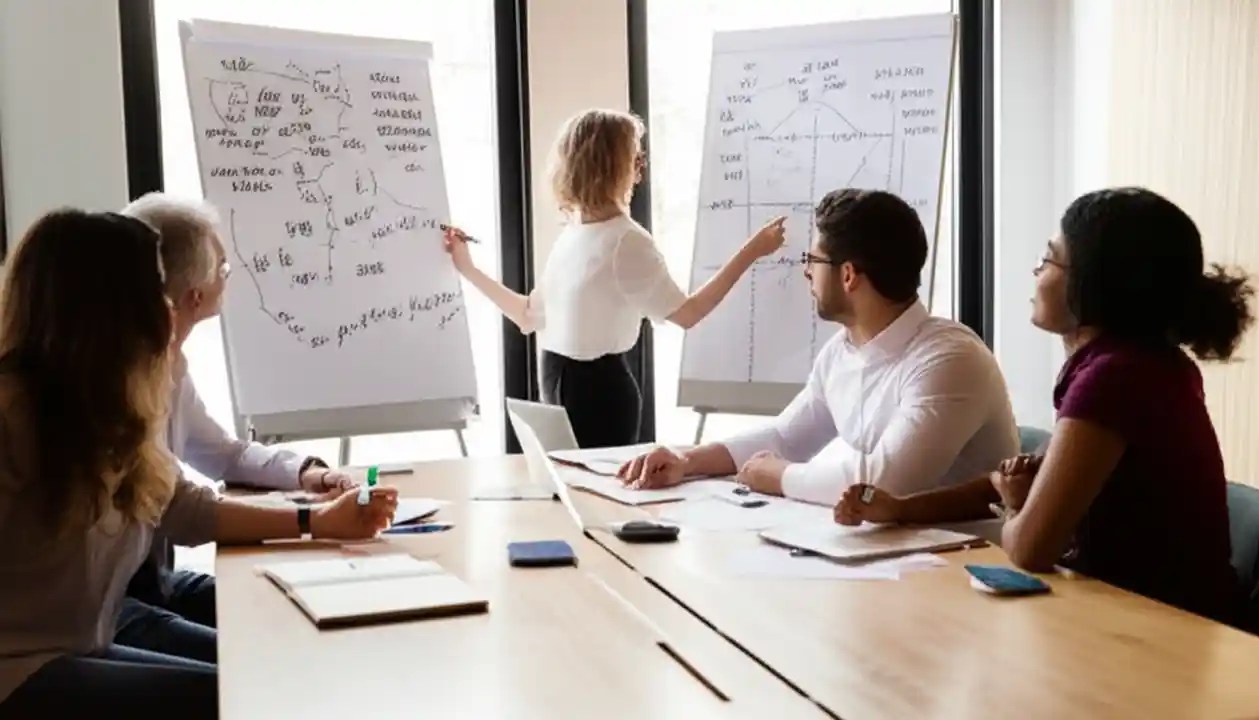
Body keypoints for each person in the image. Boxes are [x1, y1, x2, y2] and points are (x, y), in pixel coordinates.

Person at [0, 210, 398, 717]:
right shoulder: (13, 415)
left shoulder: (111, 404)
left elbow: (185, 508)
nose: (168, 311)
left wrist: (316, 520)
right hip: (20, 670)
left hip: (75, 649)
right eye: (156, 294)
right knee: (244, 700)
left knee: (259, 682)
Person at [834, 187, 1252, 623]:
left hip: (1162, 633)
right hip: (1135, 617)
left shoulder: (1114, 379)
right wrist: (899, 508)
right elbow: (1014, 482)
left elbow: (1031, 547)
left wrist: (1017, 507)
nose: (1036, 270)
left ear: (1093, 281)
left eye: (1049, 258)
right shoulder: (1141, 362)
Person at [620, 188, 1018, 506]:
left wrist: (779, 477)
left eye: (813, 258)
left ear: (848, 275)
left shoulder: (949, 359)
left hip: (964, 565)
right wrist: (687, 461)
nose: (806, 270)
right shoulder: (841, 351)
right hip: (889, 553)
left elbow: (883, 481)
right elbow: (786, 437)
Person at [443, 108, 786, 448]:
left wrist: (752, 251)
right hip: (574, 393)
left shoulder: (609, 238)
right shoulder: (598, 238)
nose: (640, 170)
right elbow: (528, 314)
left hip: (597, 397)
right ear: (611, 167)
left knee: (593, 496)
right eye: (635, 158)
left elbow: (686, 315)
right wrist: (468, 269)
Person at [117, 193, 356, 647]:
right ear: (194, 295)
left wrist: (307, 473)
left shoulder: (171, 365)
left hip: (157, 582)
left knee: (292, 611)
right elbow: (182, 509)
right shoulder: (119, 380)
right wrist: (315, 520)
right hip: (119, 601)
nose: (230, 278)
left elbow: (223, 455)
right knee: (255, 662)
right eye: (224, 269)